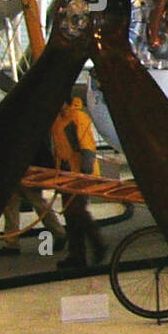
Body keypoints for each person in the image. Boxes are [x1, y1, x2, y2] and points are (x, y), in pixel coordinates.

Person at [51, 94, 106, 269]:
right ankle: (77, 255)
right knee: (72, 215)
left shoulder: (77, 117)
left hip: (78, 175)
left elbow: (87, 148)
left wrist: (84, 174)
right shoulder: (58, 120)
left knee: (77, 214)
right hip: (67, 175)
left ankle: (97, 246)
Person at [0, 139, 67, 257]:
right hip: (25, 170)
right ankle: (59, 233)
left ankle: (12, 243)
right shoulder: (30, 130)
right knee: (33, 205)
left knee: (17, 207)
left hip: (22, 171)